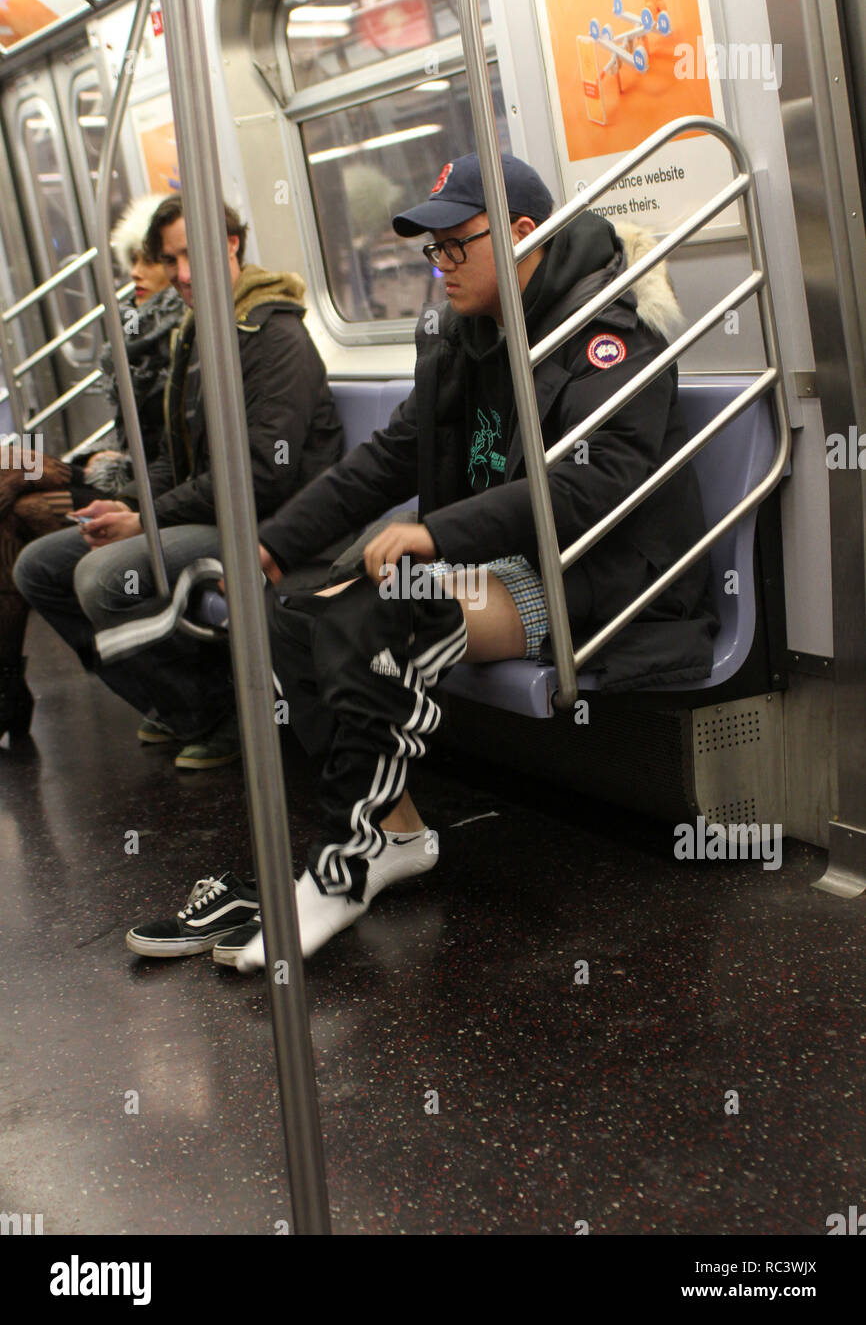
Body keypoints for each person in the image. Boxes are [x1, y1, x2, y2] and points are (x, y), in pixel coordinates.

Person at [125, 151, 716, 966]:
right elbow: (395, 454)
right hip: (500, 555)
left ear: (520, 234)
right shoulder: (464, 333)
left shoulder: (612, 330)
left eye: (455, 247)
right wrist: (275, 541)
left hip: (593, 572)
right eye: (429, 252)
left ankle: (343, 868)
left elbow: (593, 487)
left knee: (387, 608)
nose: (440, 268)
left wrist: (435, 538)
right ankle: (393, 832)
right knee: (295, 611)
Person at [14, 196, 344, 767]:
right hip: (211, 512)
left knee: (102, 578)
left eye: (194, 254)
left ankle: (219, 711)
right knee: (39, 568)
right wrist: (119, 507)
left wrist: (144, 521)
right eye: (171, 260)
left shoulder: (273, 338)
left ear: (232, 244)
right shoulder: (195, 336)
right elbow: (176, 458)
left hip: (274, 526)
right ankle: (183, 703)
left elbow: (263, 475)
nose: (182, 274)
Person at [0, 195, 184, 742]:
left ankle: (8, 690)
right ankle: (8, 687)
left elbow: (173, 458)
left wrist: (101, 474)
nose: (135, 273)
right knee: (15, 505)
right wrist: (99, 465)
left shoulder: (188, 338)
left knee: (11, 482)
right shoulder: (142, 335)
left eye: (149, 259)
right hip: (131, 476)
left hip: (152, 491)